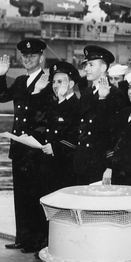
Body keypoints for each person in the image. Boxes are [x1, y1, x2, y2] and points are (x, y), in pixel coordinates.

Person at [0, 39, 54, 254]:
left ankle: (37, 241)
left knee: (35, 195)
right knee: (21, 195)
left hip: (36, 147)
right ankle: (23, 238)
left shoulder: (48, 82)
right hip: (19, 147)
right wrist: (0, 75)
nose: (27, 59)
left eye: (32, 56)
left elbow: (41, 115)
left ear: (41, 58)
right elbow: (2, 97)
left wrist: (37, 92)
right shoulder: (20, 81)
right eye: (25, 56)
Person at [73, 45, 127, 184]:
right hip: (83, 163)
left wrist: (110, 166)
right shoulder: (86, 93)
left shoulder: (116, 95)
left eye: (91, 65)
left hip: (101, 163)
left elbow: (115, 134)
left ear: (103, 68)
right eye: (86, 65)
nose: (86, 69)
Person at [39, 61, 81, 192]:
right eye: (53, 82)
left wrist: (55, 148)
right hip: (50, 166)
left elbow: (73, 137)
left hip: (66, 167)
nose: (55, 86)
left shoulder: (78, 106)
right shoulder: (53, 105)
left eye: (60, 82)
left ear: (71, 84)